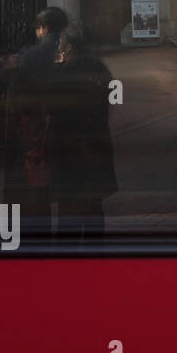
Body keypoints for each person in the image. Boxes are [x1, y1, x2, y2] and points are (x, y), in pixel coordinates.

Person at [3, 6, 70, 238]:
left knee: (36, 186)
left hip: (35, 131)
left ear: (45, 28)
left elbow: (18, 100)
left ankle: (36, 237)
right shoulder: (73, 55)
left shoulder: (30, 56)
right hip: (65, 131)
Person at [46, 23, 118, 238]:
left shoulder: (60, 75)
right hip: (96, 143)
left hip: (68, 148)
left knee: (68, 207)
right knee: (94, 205)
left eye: (61, 44)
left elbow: (50, 109)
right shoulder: (100, 69)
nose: (59, 47)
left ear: (68, 48)